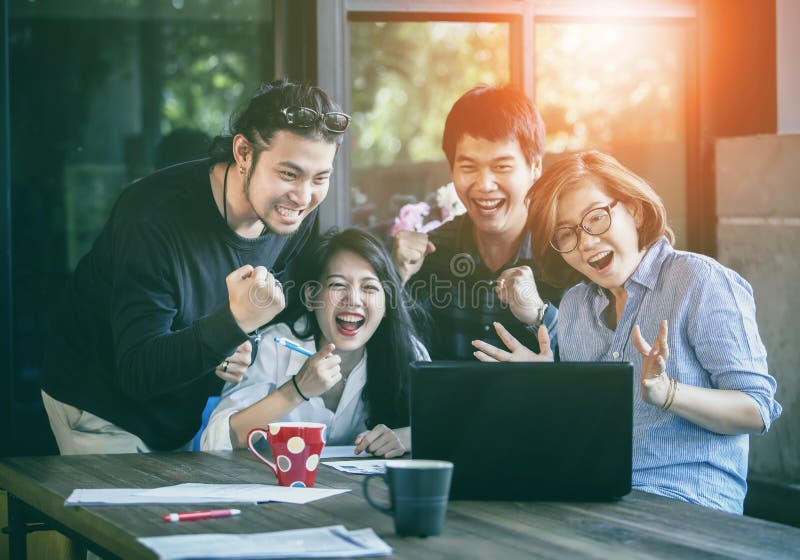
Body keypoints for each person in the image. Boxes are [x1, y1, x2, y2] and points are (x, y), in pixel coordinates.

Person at [41, 79, 351, 454]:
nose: (303, 197)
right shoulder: (152, 217)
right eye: (288, 174)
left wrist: (237, 344)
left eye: (320, 178)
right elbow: (138, 371)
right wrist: (233, 323)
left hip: (182, 413)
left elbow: (256, 315)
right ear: (243, 152)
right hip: (101, 408)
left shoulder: (291, 216)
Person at [472, 151, 782, 514]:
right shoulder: (574, 306)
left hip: (688, 504)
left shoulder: (699, 282)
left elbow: (757, 409)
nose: (585, 243)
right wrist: (547, 387)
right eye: (566, 234)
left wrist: (668, 393)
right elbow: (582, 433)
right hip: (594, 496)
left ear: (634, 209)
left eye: (597, 218)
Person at [201, 228, 429, 457]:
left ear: (387, 301)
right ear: (311, 297)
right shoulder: (275, 346)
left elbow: (450, 426)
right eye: (338, 285)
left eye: (369, 287)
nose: (354, 300)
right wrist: (297, 390)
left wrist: (408, 436)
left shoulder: (407, 352)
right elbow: (215, 441)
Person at [392, 84, 560, 360]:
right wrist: (394, 277)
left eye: (502, 167)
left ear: (535, 167)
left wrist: (540, 315)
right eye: (468, 167)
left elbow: (592, 372)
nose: (484, 185)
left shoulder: (565, 258)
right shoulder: (428, 258)